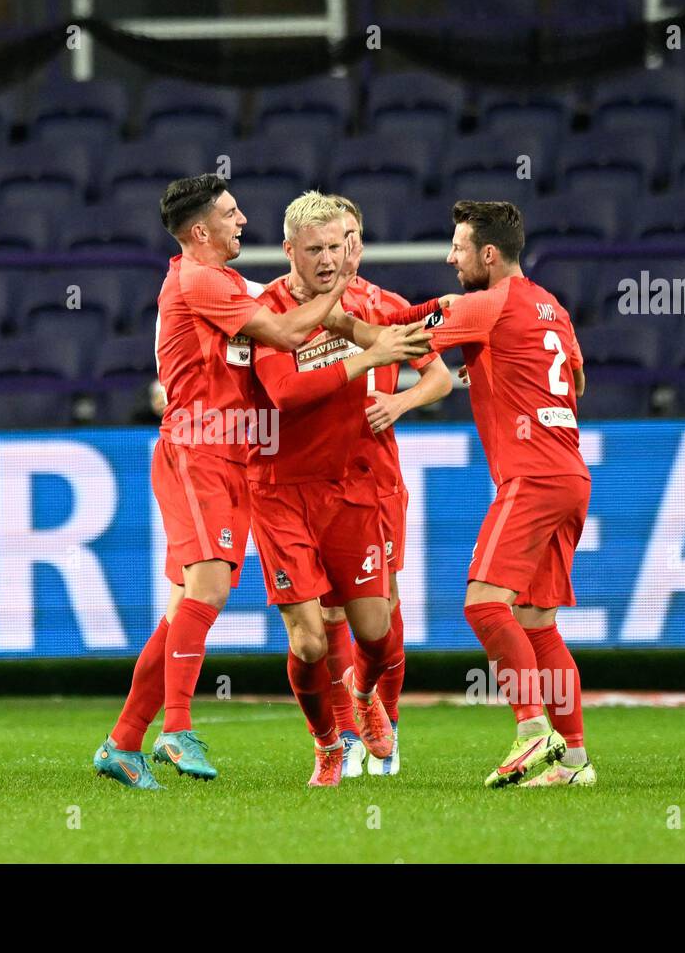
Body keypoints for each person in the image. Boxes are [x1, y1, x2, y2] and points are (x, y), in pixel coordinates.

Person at [93, 175, 422, 790]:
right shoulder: (198, 279)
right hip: (200, 448)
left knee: (180, 615)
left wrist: (370, 330)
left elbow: (297, 318)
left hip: (232, 455)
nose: (243, 219)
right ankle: (178, 727)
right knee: (212, 588)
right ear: (200, 231)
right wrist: (346, 294)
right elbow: (287, 333)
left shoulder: (227, 285)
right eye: (230, 212)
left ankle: (123, 741)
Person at [382, 200, 595, 788]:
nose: (451, 257)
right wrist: (503, 366)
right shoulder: (552, 306)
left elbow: (401, 341)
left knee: (482, 603)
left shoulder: (485, 305)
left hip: (531, 476)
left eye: (459, 247)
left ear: (489, 254)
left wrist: (340, 323)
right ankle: (574, 762)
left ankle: (533, 732)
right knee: (537, 622)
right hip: (571, 473)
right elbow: (575, 379)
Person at [247, 192, 437, 787]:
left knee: (377, 628)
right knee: (309, 638)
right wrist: (369, 356)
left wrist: (400, 398)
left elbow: (437, 371)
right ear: (289, 252)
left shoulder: (378, 306)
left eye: (338, 245)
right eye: (317, 249)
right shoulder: (264, 309)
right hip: (281, 488)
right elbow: (286, 394)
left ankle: (370, 700)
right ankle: (329, 742)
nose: (329, 258)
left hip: (360, 484)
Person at [318, 194, 453, 777]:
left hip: (376, 480)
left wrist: (400, 401)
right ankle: (344, 736)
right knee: (325, 619)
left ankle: (385, 721)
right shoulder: (294, 307)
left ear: (360, 243)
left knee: (384, 608)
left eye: (348, 236)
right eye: (327, 240)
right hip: (316, 482)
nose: (339, 250)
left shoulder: (391, 307)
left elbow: (442, 377)